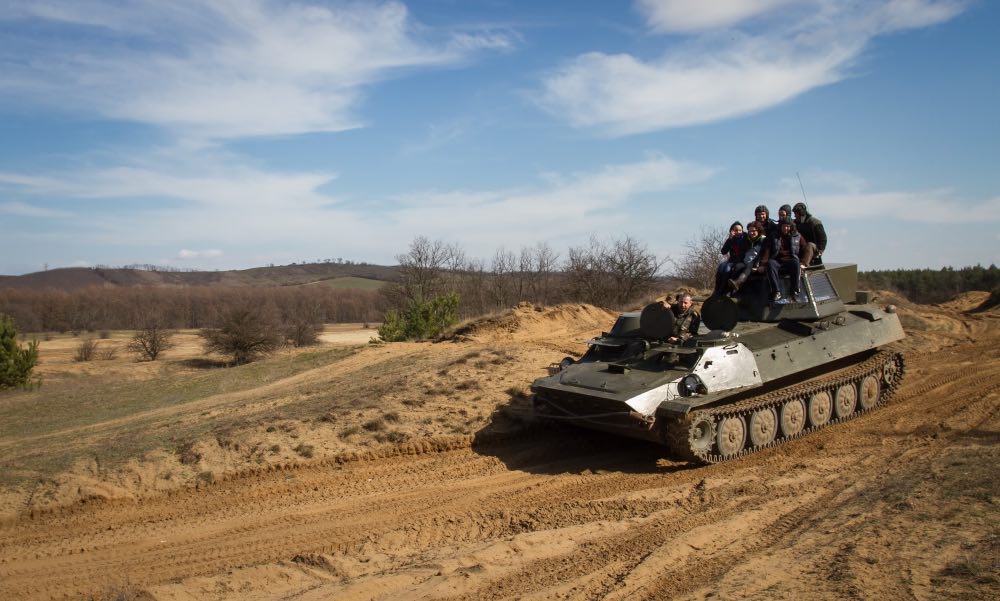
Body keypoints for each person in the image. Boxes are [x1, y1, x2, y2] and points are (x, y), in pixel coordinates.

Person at [767, 217, 814, 302]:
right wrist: (762, 264)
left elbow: (805, 249)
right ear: (781, 226)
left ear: (791, 227)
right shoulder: (774, 236)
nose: (785, 228)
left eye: (788, 226)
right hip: (777, 260)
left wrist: (804, 263)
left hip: (791, 260)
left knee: (796, 262)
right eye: (784, 226)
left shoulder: (797, 236)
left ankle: (794, 291)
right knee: (770, 263)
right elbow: (767, 249)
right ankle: (776, 291)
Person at [726, 220, 768, 294]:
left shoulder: (764, 240)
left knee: (749, 265)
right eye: (750, 231)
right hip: (746, 261)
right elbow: (741, 252)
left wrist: (761, 265)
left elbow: (765, 254)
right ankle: (731, 290)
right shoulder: (746, 240)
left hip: (757, 262)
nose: (751, 233)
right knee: (737, 267)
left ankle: (738, 282)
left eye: (754, 231)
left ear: (758, 231)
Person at [714, 221, 749, 295]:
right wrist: (729, 239)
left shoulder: (746, 237)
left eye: (740, 230)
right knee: (721, 266)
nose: (738, 232)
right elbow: (723, 251)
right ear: (732, 231)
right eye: (736, 230)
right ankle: (717, 289)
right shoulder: (731, 239)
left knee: (727, 268)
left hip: (741, 260)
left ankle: (724, 289)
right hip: (732, 260)